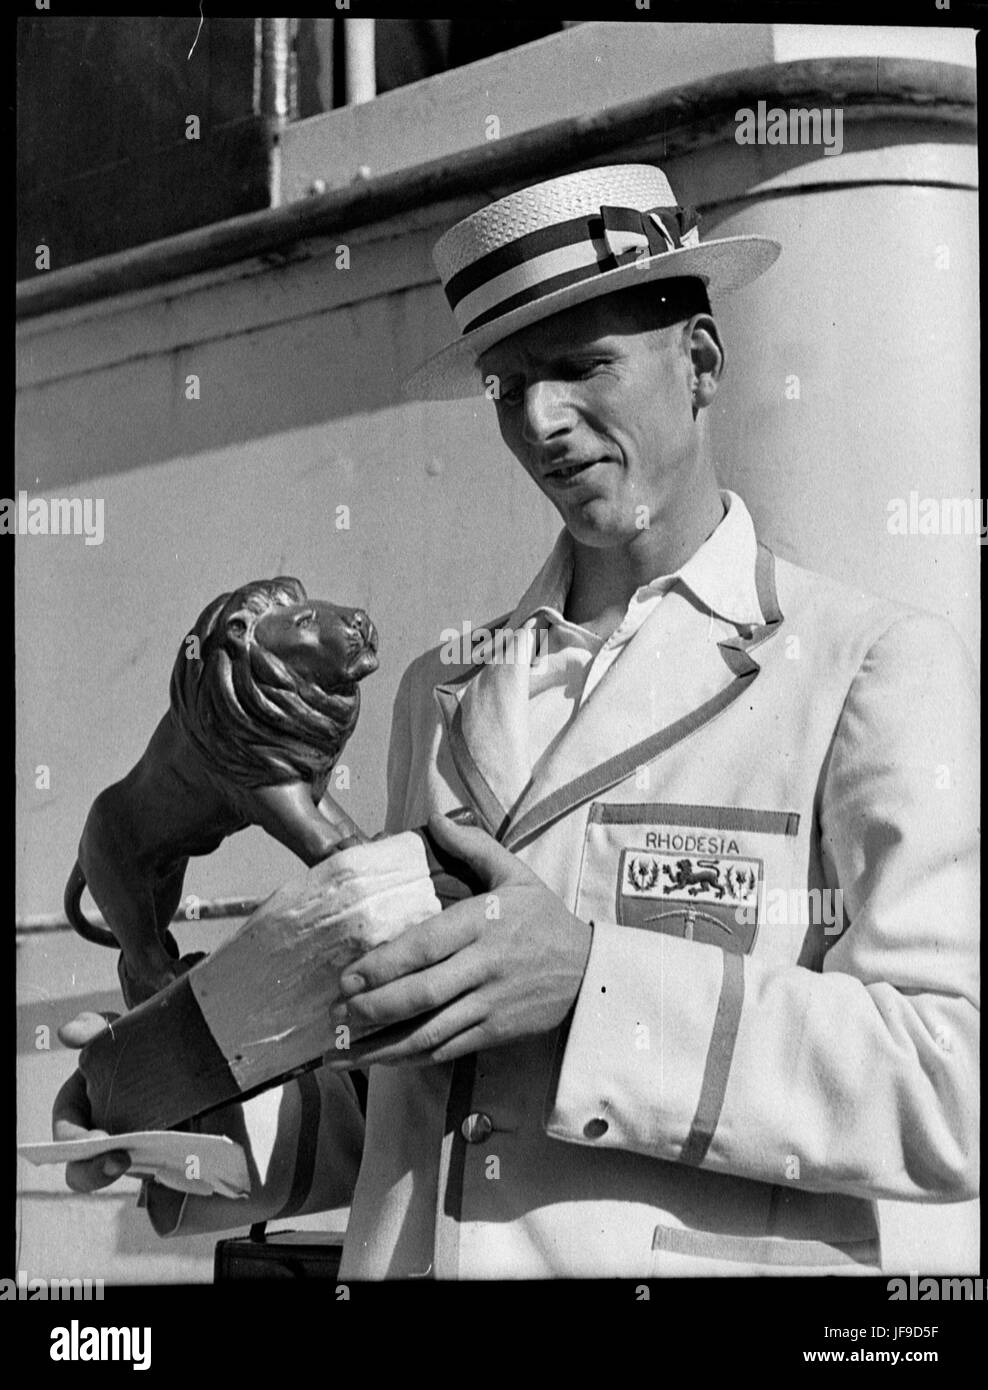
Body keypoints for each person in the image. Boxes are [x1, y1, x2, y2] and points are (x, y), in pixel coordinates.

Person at [54, 164, 978, 1279]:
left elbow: (948, 1082)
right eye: (506, 385)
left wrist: (590, 988)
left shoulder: (862, 665)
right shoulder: (440, 690)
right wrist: (182, 1127)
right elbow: (406, 1082)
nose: (541, 421)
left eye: (582, 366)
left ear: (700, 362)